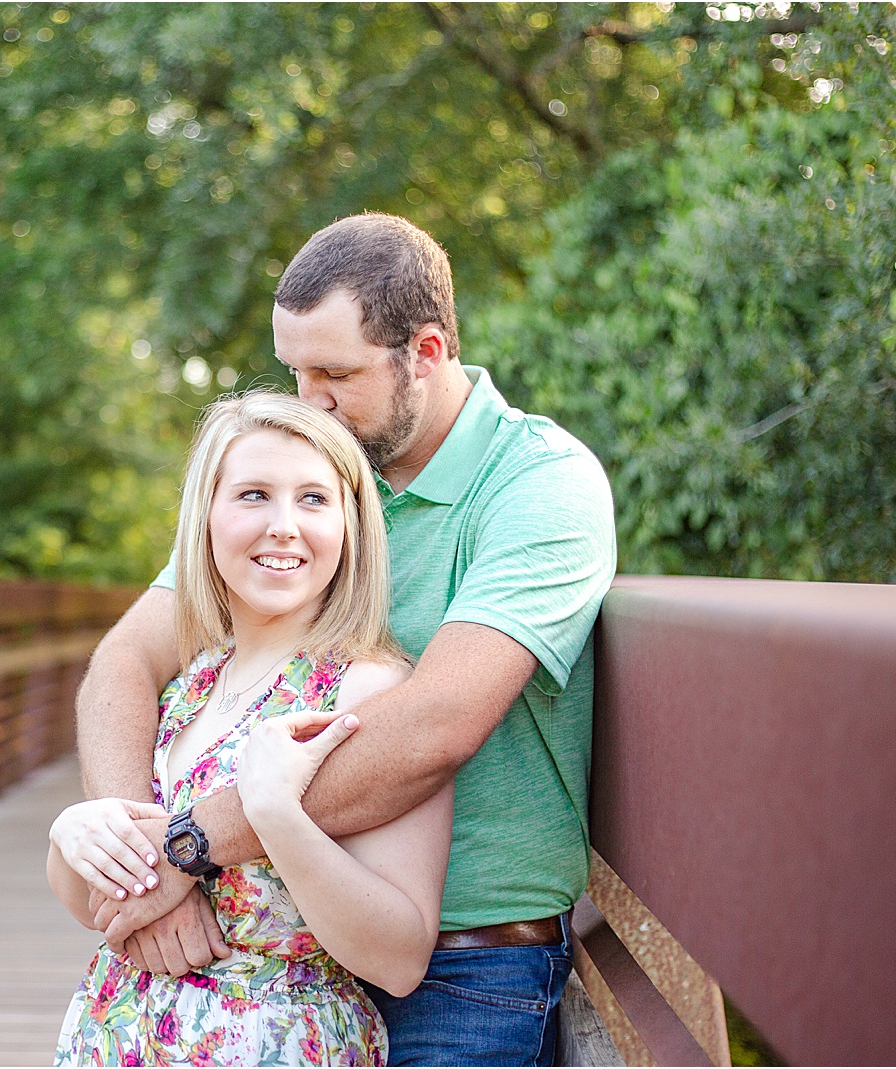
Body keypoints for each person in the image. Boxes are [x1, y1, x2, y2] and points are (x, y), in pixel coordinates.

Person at [72, 213, 617, 1066]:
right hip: (262, 957)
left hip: (464, 971)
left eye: (334, 374)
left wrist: (192, 843)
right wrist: (139, 867)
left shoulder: (539, 484)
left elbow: (436, 720)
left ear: (426, 351)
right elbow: (123, 662)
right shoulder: (304, 482)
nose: (309, 399)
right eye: (296, 372)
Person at [47, 392, 454, 1066]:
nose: (284, 526)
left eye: (314, 499)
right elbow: (101, 909)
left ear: (350, 525)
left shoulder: (364, 689)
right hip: (121, 1034)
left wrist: (275, 816)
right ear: (205, 515)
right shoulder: (191, 682)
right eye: (254, 495)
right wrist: (74, 838)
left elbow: (400, 956)